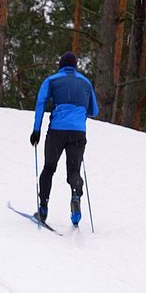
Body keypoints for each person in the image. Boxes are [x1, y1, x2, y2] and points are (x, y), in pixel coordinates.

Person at [29, 51, 99, 226]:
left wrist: (36, 130)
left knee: (49, 168)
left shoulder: (52, 80)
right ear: (75, 66)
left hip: (57, 132)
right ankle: (76, 196)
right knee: (74, 171)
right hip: (78, 133)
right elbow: (94, 111)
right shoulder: (86, 82)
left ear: (60, 65)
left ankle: (43, 208)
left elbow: (40, 104)